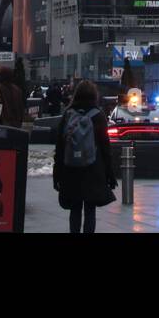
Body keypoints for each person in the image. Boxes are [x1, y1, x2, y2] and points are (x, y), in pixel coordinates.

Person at [53, 79, 117, 234]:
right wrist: (109, 174)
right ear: (94, 95)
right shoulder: (98, 115)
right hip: (93, 168)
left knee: (75, 209)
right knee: (90, 210)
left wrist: (57, 174)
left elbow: (60, 147)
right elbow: (105, 147)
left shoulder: (68, 114)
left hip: (71, 169)